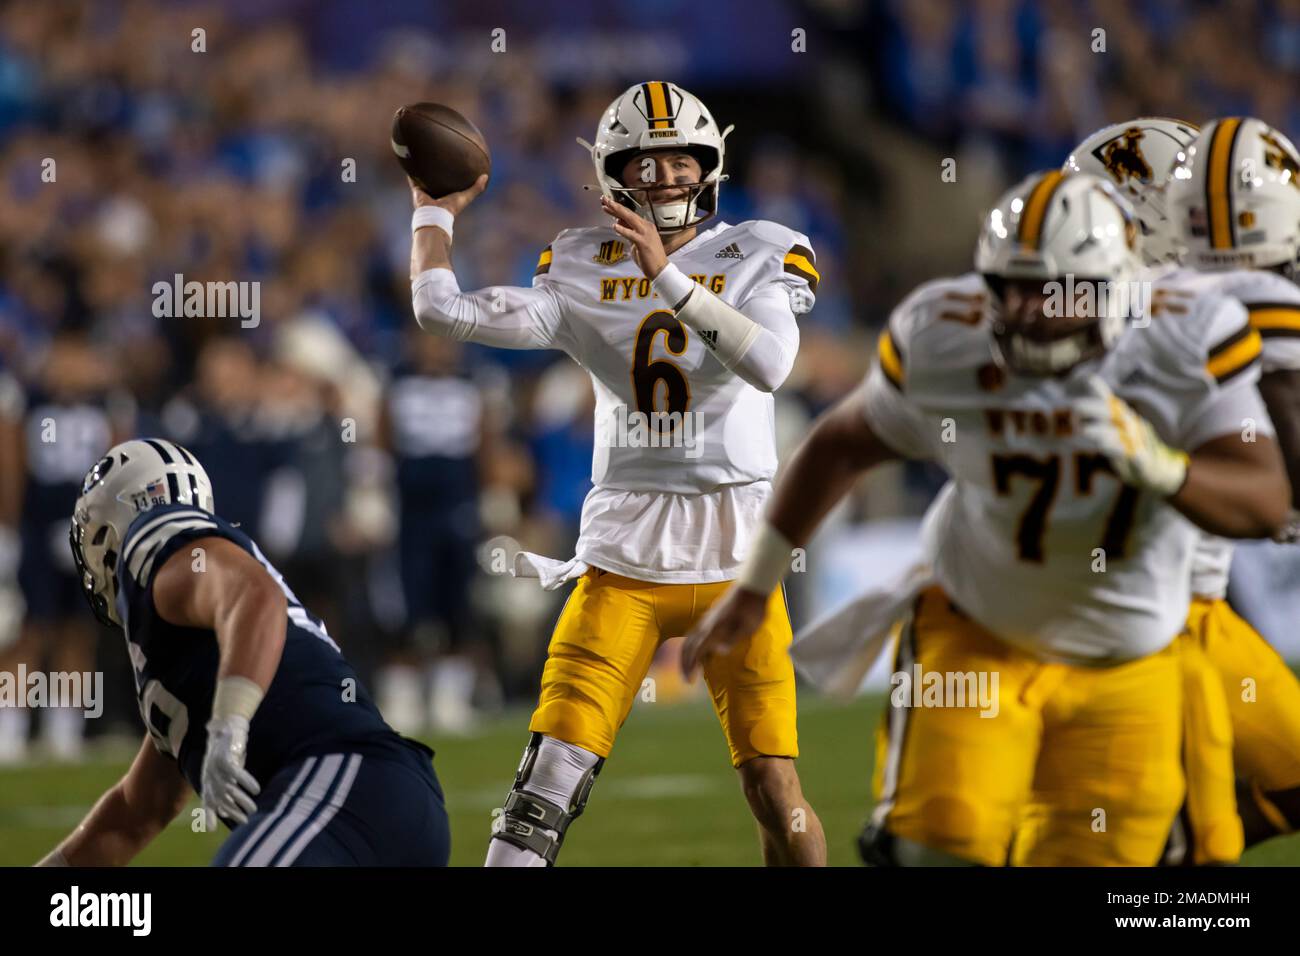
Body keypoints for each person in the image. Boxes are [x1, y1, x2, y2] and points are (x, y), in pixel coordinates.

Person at [684, 170, 1291, 865]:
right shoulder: (948, 334)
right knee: (937, 845)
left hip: (1128, 660)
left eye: (1053, 289)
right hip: (978, 635)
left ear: (1118, 285)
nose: (1029, 311)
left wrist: (1160, 465)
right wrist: (756, 586)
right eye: (1013, 286)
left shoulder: (1186, 339)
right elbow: (841, 443)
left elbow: (1264, 498)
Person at [410, 81, 825, 866]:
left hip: (740, 565)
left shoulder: (763, 246)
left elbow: (771, 363)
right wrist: (433, 212)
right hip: (623, 559)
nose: (665, 175)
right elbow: (442, 313)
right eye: (645, 160)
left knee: (776, 791)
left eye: (679, 157)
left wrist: (667, 275)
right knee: (540, 796)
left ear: (709, 163)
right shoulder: (578, 261)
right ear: (613, 173)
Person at [36, 438, 449, 867]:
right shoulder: (176, 647)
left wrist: (229, 726)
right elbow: (132, 816)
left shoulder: (154, 539)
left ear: (110, 527)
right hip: (367, 805)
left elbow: (254, 596)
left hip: (346, 787)